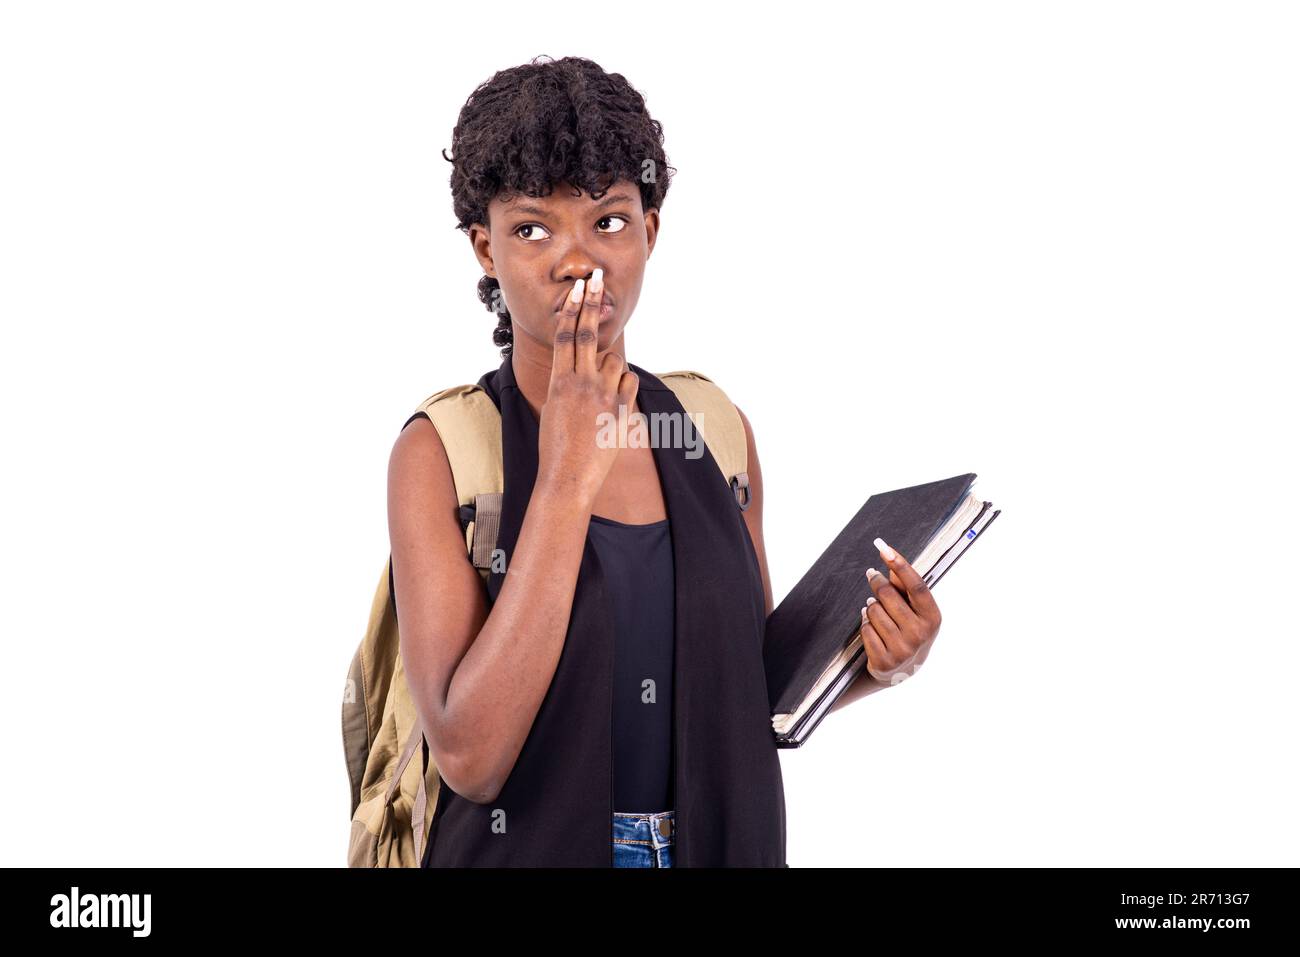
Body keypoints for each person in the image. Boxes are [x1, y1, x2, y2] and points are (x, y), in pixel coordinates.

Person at [387, 56, 942, 868]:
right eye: (533, 228)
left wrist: (875, 661)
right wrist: (568, 476)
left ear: (651, 227)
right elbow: (471, 757)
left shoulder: (712, 429)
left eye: (608, 220)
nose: (577, 259)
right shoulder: (441, 452)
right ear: (485, 249)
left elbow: (749, 690)